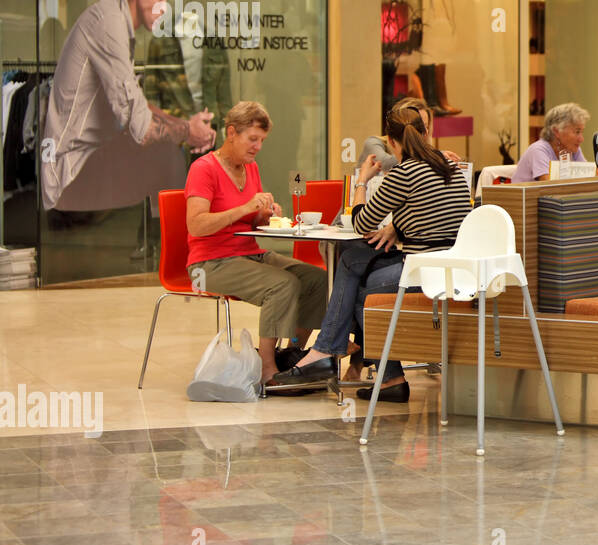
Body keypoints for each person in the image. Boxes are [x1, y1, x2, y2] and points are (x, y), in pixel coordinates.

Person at [272, 106, 472, 400]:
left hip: (424, 269)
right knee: (353, 258)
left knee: (361, 290)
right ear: (425, 133)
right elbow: (440, 215)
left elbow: (360, 222)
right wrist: (397, 228)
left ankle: (338, 356)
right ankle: (337, 356)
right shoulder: (449, 164)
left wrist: (363, 180)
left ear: (391, 142)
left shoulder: (404, 173)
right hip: (455, 264)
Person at [42, 0, 216, 210]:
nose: (164, 6)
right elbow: (141, 129)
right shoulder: (108, 23)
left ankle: (182, 238)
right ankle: (182, 244)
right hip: (70, 172)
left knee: (178, 152)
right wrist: (185, 131)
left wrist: (186, 126)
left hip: (90, 160)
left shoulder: (118, 24)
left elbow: (139, 107)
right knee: (165, 154)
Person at [185, 102, 327, 385]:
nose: (258, 146)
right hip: (210, 262)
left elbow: (251, 226)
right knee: (282, 284)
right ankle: (267, 368)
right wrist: (244, 207)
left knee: (317, 279)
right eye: (252, 139)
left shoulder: (251, 169)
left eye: (262, 140)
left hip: (249, 253)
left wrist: (265, 215)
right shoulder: (204, 169)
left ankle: (292, 352)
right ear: (231, 133)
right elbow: (196, 224)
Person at [358, 96, 460, 174]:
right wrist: (436, 155)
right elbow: (385, 164)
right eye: (415, 126)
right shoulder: (373, 143)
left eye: (425, 127)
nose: (421, 132)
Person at [513, 102, 589, 182]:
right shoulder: (538, 150)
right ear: (556, 131)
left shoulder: (572, 149)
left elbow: (589, 178)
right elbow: (549, 187)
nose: (581, 139)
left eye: (581, 132)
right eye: (577, 132)